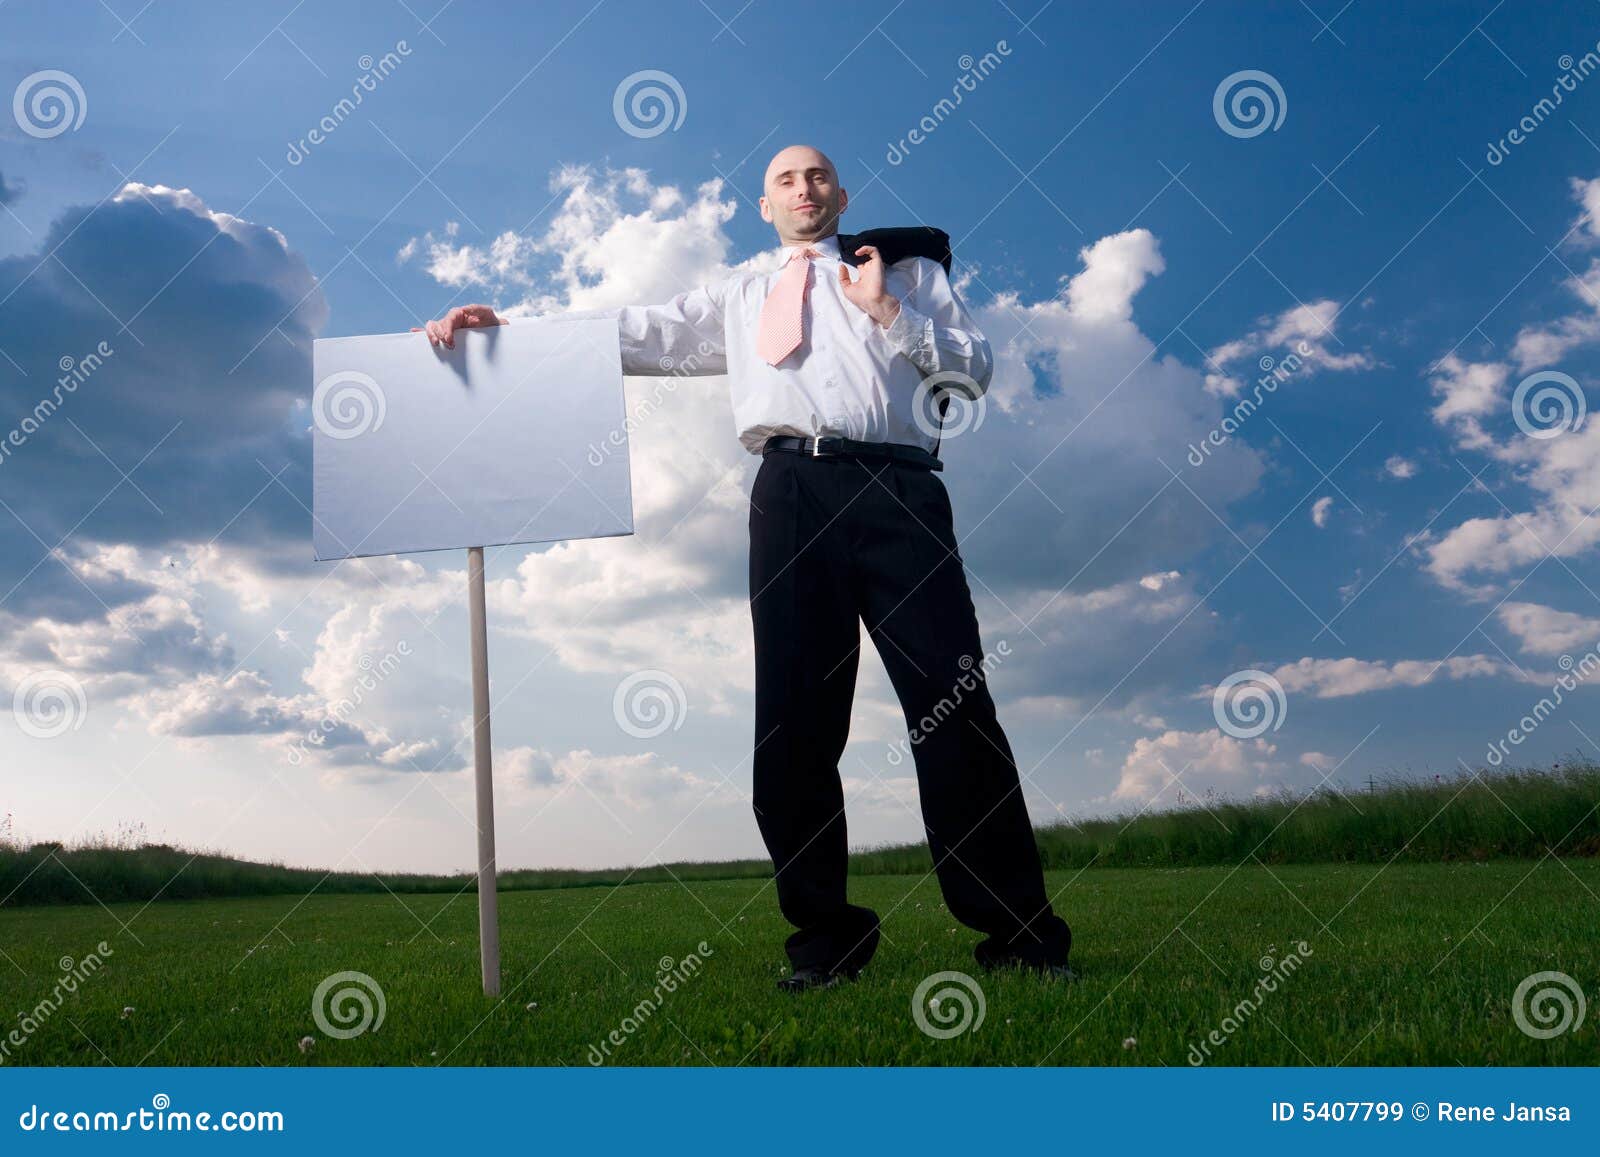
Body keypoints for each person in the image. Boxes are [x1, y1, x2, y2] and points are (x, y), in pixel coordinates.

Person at [422, 144, 1074, 990]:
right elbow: (633, 331)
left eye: (819, 176)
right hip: (789, 492)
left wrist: (888, 313)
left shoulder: (906, 275)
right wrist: (508, 331)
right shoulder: (739, 294)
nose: (805, 189)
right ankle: (827, 940)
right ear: (766, 206)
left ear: (842, 194)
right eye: (786, 180)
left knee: (953, 707)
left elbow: (972, 373)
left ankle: (1019, 934)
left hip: (900, 491)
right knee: (793, 724)